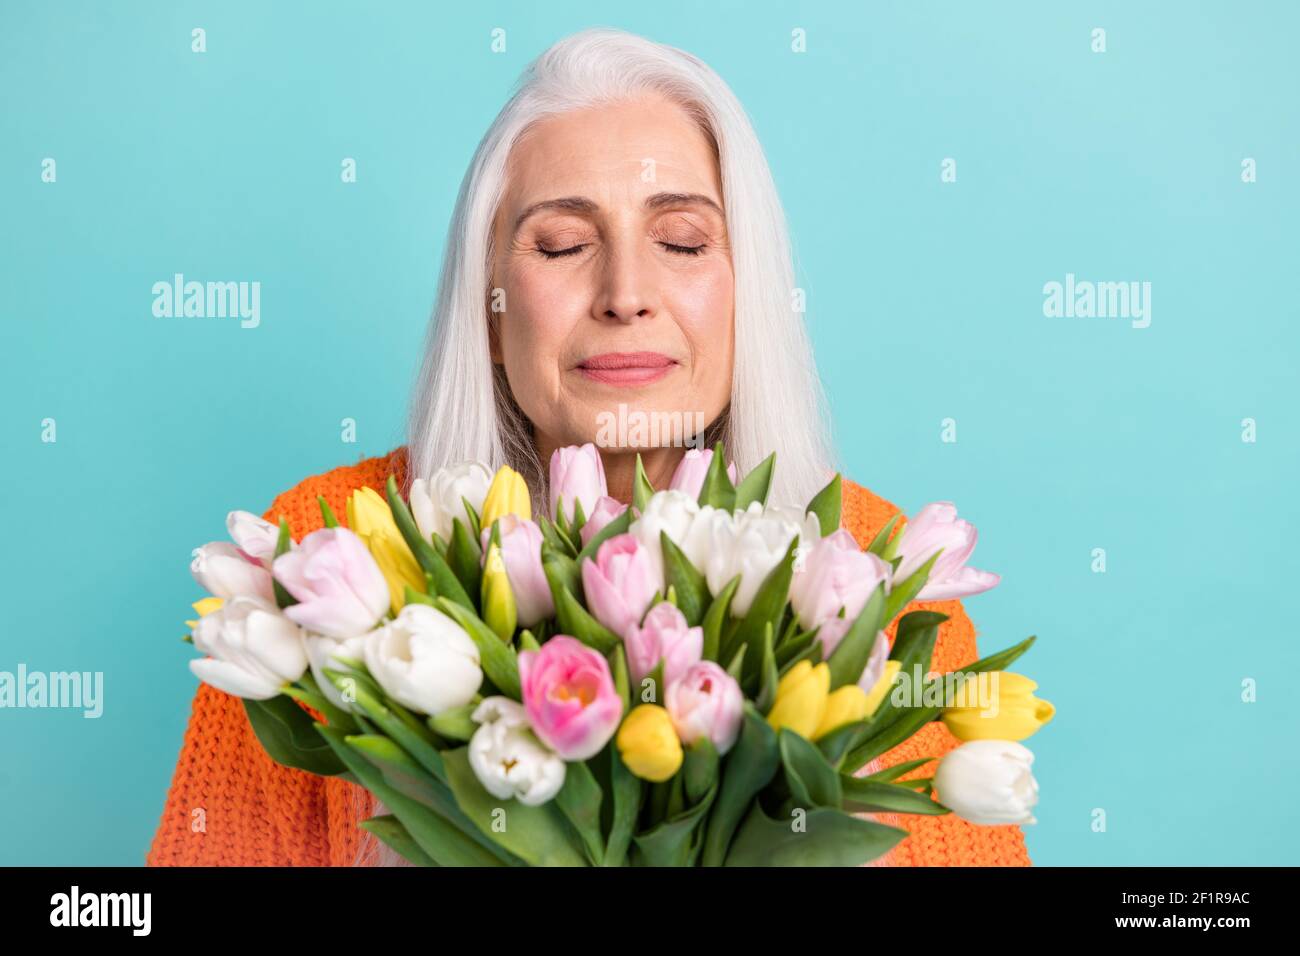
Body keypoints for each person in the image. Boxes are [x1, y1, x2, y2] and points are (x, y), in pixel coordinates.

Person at [147, 28, 1030, 867]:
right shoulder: (323, 556)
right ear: (488, 312)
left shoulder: (876, 581)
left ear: (746, 299)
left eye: (681, 239)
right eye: (564, 245)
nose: (626, 294)